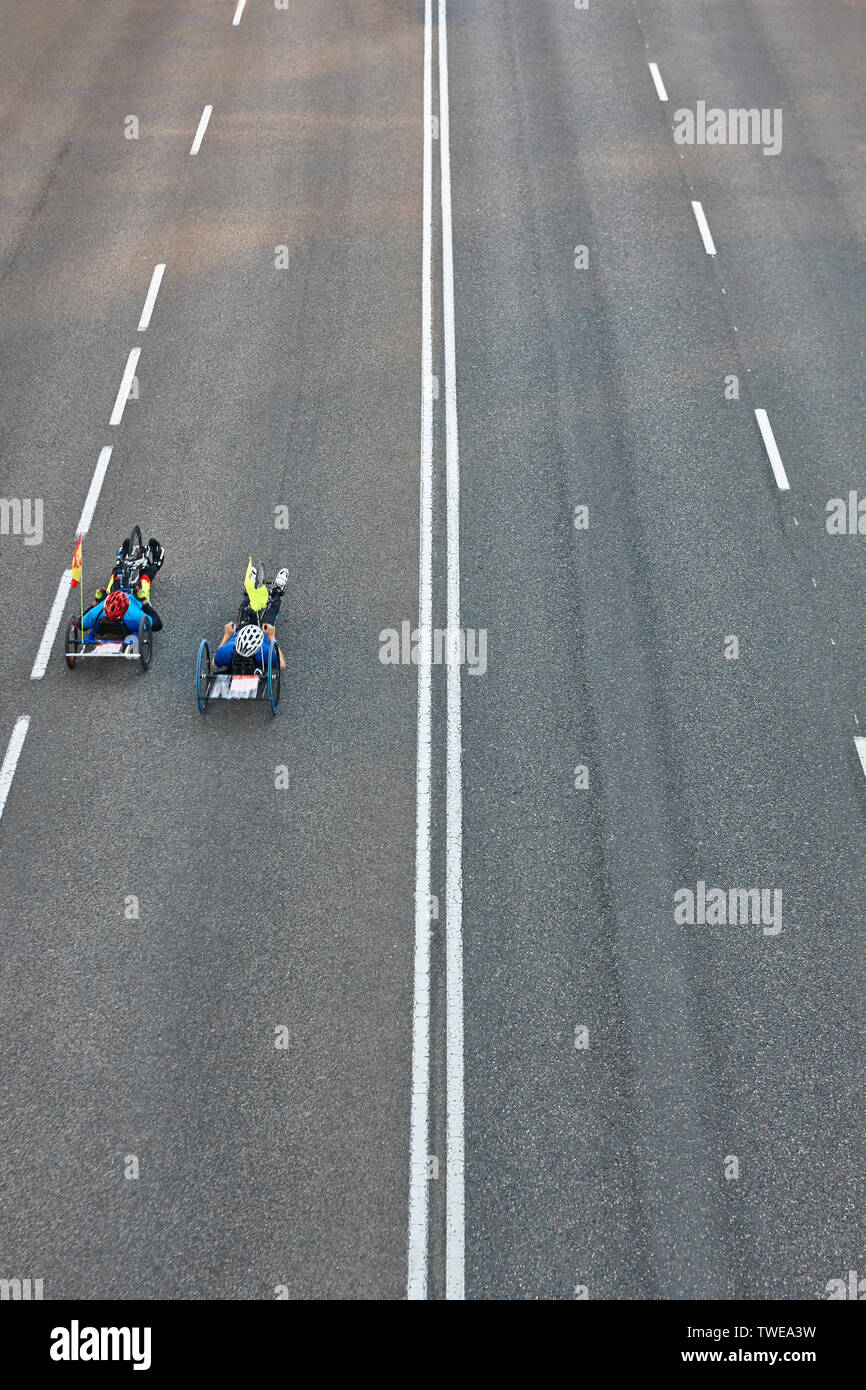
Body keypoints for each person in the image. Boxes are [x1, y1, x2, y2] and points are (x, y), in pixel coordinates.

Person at [213, 567, 287, 671]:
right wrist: (271, 636)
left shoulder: (225, 652)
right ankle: (277, 592)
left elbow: (214, 665)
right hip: (263, 634)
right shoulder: (264, 653)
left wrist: (227, 635)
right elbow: (282, 665)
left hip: (243, 629)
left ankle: (250, 592)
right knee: (271, 612)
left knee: (244, 608)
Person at [91, 536, 165, 631]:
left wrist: (96, 602)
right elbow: (157, 625)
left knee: (116, 576)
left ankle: (120, 563)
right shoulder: (134, 615)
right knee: (144, 580)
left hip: (113, 596)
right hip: (134, 600)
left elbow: (80, 624)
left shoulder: (98, 612)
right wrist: (143, 601)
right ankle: (156, 562)